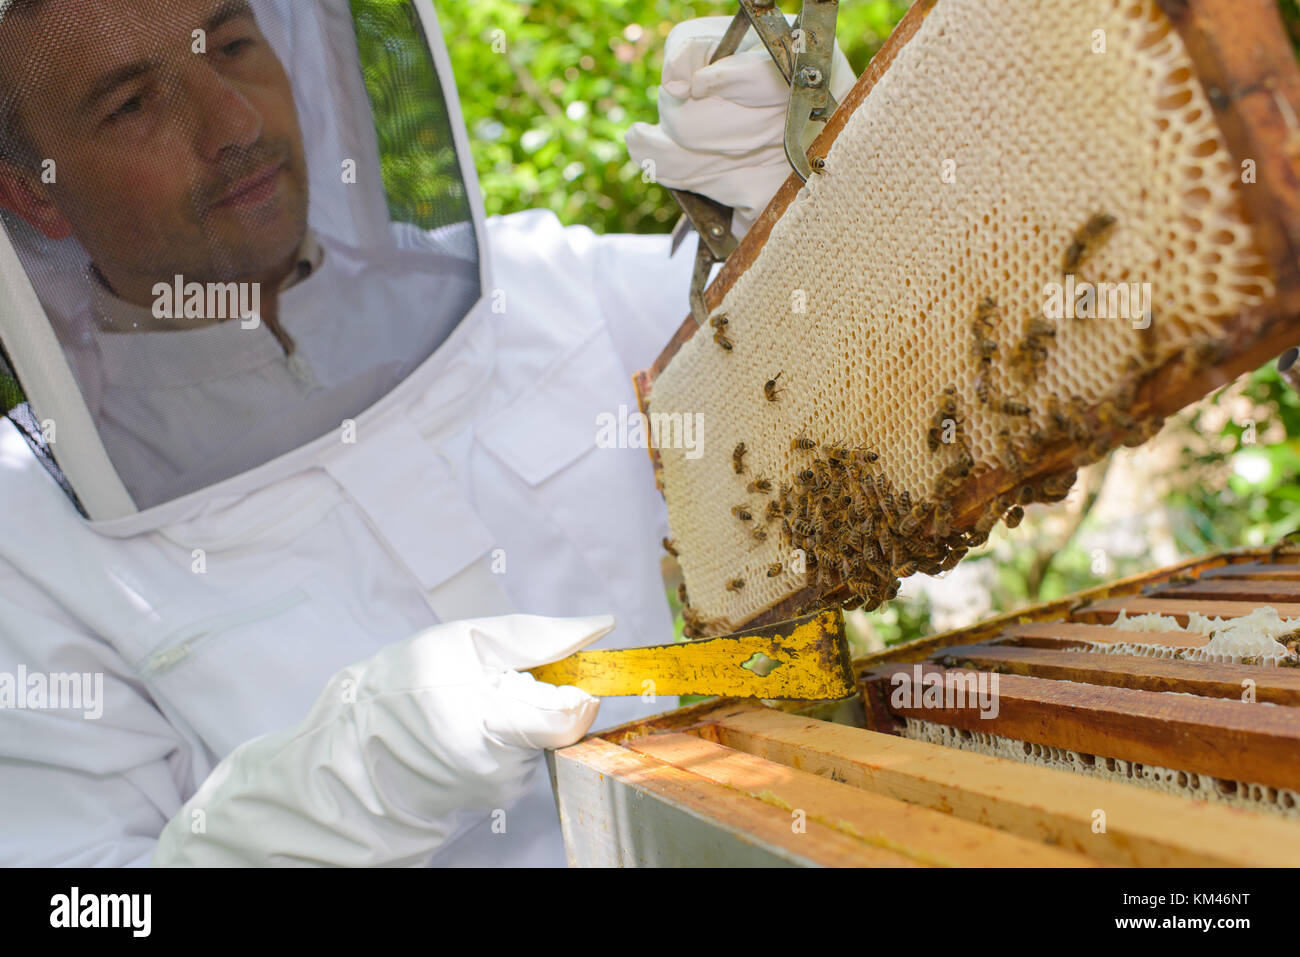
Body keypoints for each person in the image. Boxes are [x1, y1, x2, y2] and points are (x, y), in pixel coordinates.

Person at [0, 0, 853, 866]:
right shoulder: (23, 534)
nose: (234, 120)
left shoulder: (539, 286)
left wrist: (812, 197)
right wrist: (338, 790)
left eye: (231, 46)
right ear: (30, 193)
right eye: (131, 105)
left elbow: (856, 365)